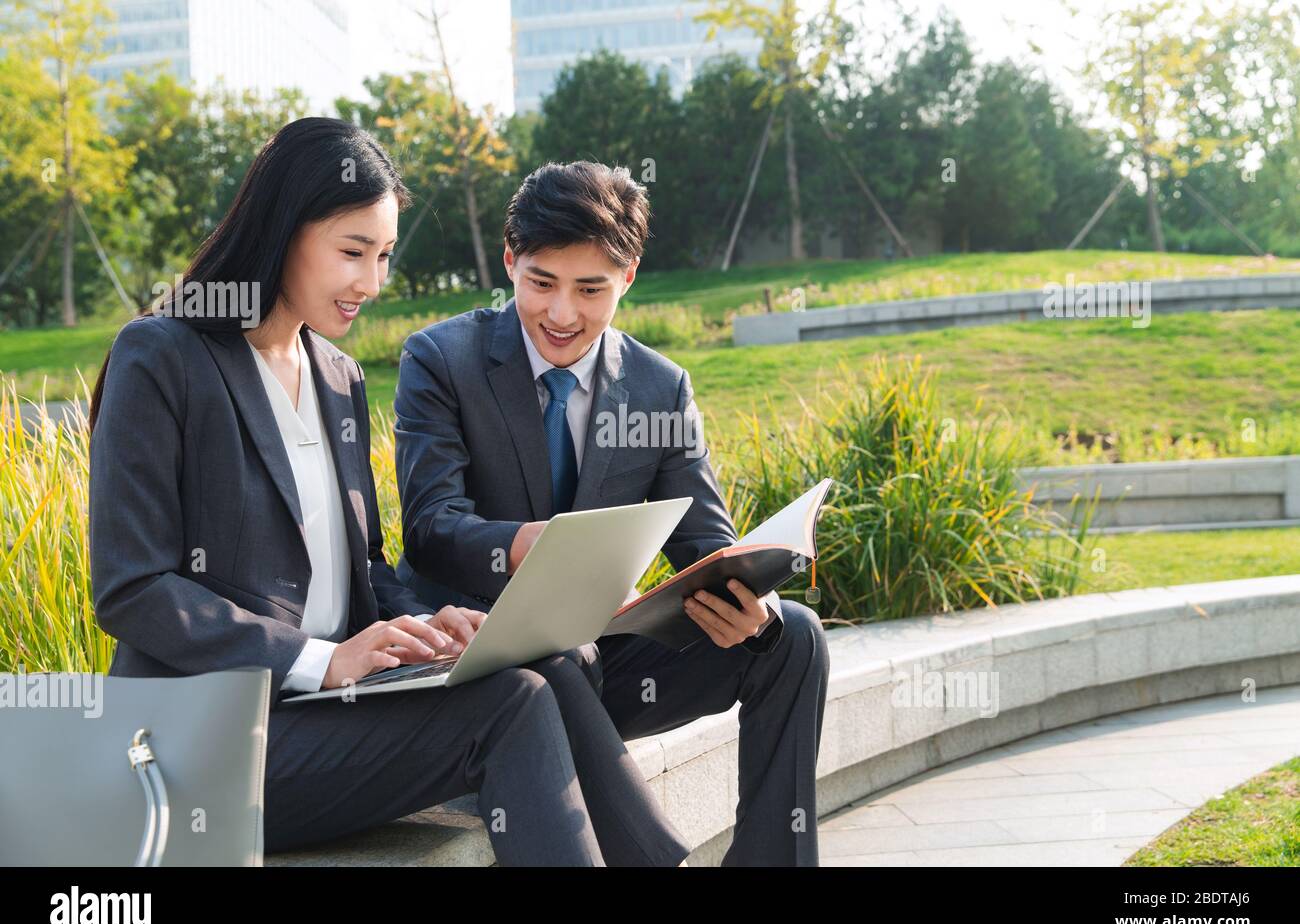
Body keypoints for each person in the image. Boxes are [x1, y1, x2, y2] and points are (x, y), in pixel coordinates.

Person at [86, 118, 689, 866]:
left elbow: (368, 570)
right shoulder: (164, 354)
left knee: (531, 671)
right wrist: (318, 660)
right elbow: (132, 587)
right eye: (352, 252)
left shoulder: (339, 377)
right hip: (189, 746)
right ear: (285, 230)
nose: (371, 282)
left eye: (383, 256)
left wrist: (433, 627)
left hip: (320, 721)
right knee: (514, 707)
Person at [393, 160, 831, 866]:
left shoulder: (659, 387)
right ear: (510, 261)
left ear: (627, 278)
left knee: (792, 637)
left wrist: (748, 595)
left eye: (591, 290)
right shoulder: (442, 360)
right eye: (541, 283)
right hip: (491, 665)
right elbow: (430, 526)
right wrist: (528, 547)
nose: (562, 315)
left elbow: (705, 541)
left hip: (607, 660)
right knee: (553, 651)